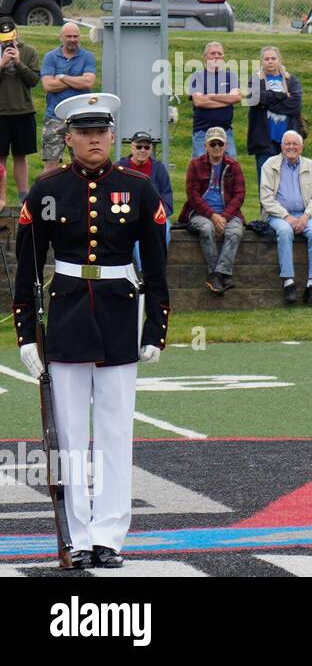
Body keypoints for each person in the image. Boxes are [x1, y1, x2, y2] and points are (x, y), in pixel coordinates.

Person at [14, 92, 169, 570]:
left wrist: (155, 329)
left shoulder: (139, 189)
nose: (95, 140)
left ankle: (109, 536)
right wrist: (24, 334)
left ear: (110, 135)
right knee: (69, 435)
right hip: (66, 313)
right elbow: (26, 269)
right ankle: (76, 535)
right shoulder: (46, 190)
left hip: (121, 313)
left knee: (116, 432)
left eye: (102, 132)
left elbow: (159, 268)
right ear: (69, 138)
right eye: (85, 133)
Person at [260, 130, 312, 305]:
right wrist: (287, 217)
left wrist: (306, 216)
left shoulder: (310, 166)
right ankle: (288, 283)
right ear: (281, 147)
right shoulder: (270, 165)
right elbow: (266, 198)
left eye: (295, 144)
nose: (291, 147)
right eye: (287, 144)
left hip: (305, 215)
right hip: (277, 215)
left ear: (302, 147)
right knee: (284, 231)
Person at [179, 126, 246, 295]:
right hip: (201, 213)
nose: (216, 147)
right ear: (206, 146)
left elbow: (240, 194)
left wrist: (225, 216)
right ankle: (221, 275)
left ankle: (217, 274)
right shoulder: (195, 165)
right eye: (213, 144)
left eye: (220, 144)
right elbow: (192, 196)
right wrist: (212, 215)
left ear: (226, 146)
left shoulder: (234, 166)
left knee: (235, 232)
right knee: (206, 229)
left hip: (228, 213)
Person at [39, 22, 96, 174]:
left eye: (76, 36)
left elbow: (89, 82)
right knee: (51, 164)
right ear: (61, 37)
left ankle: (81, 196)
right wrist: (76, 81)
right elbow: (47, 86)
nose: (72, 39)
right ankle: (47, 196)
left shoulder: (87, 57)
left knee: (81, 162)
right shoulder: (50, 57)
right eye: (69, 36)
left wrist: (62, 77)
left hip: (80, 118)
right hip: (54, 117)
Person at [246, 46, 304, 189]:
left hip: (288, 142)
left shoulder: (291, 80)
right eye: (266, 59)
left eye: (273, 58)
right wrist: (282, 96)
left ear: (279, 60)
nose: (270, 62)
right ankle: (266, 212)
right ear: (262, 61)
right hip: (264, 140)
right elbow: (254, 98)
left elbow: (295, 104)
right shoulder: (255, 79)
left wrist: (268, 103)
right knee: (266, 184)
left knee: (288, 184)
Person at [117, 131, 173, 264]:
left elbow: (166, 195)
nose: (143, 150)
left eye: (147, 147)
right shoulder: (120, 168)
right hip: (129, 215)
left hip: (156, 215)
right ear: (132, 147)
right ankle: (144, 274)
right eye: (139, 147)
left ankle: (158, 271)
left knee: (164, 233)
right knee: (137, 235)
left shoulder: (159, 168)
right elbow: (115, 196)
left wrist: (159, 214)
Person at [0, 18, 40, 200]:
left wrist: (18, 62)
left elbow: (33, 81)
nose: (7, 42)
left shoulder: (29, 51)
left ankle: (23, 195)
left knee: (20, 156)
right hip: (1, 113)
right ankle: (0, 197)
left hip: (22, 111)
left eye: (10, 38)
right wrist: (2, 64)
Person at [186, 41, 242, 159]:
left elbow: (236, 98)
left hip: (226, 132)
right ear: (205, 57)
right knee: (201, 170)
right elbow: (199, 102)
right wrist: (226, 100)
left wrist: (211, 96)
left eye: (219, 54)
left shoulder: (230, 76)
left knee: (230, 169)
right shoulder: (196, 77)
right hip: (202, 132)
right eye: (213, 53)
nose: (217, 56)